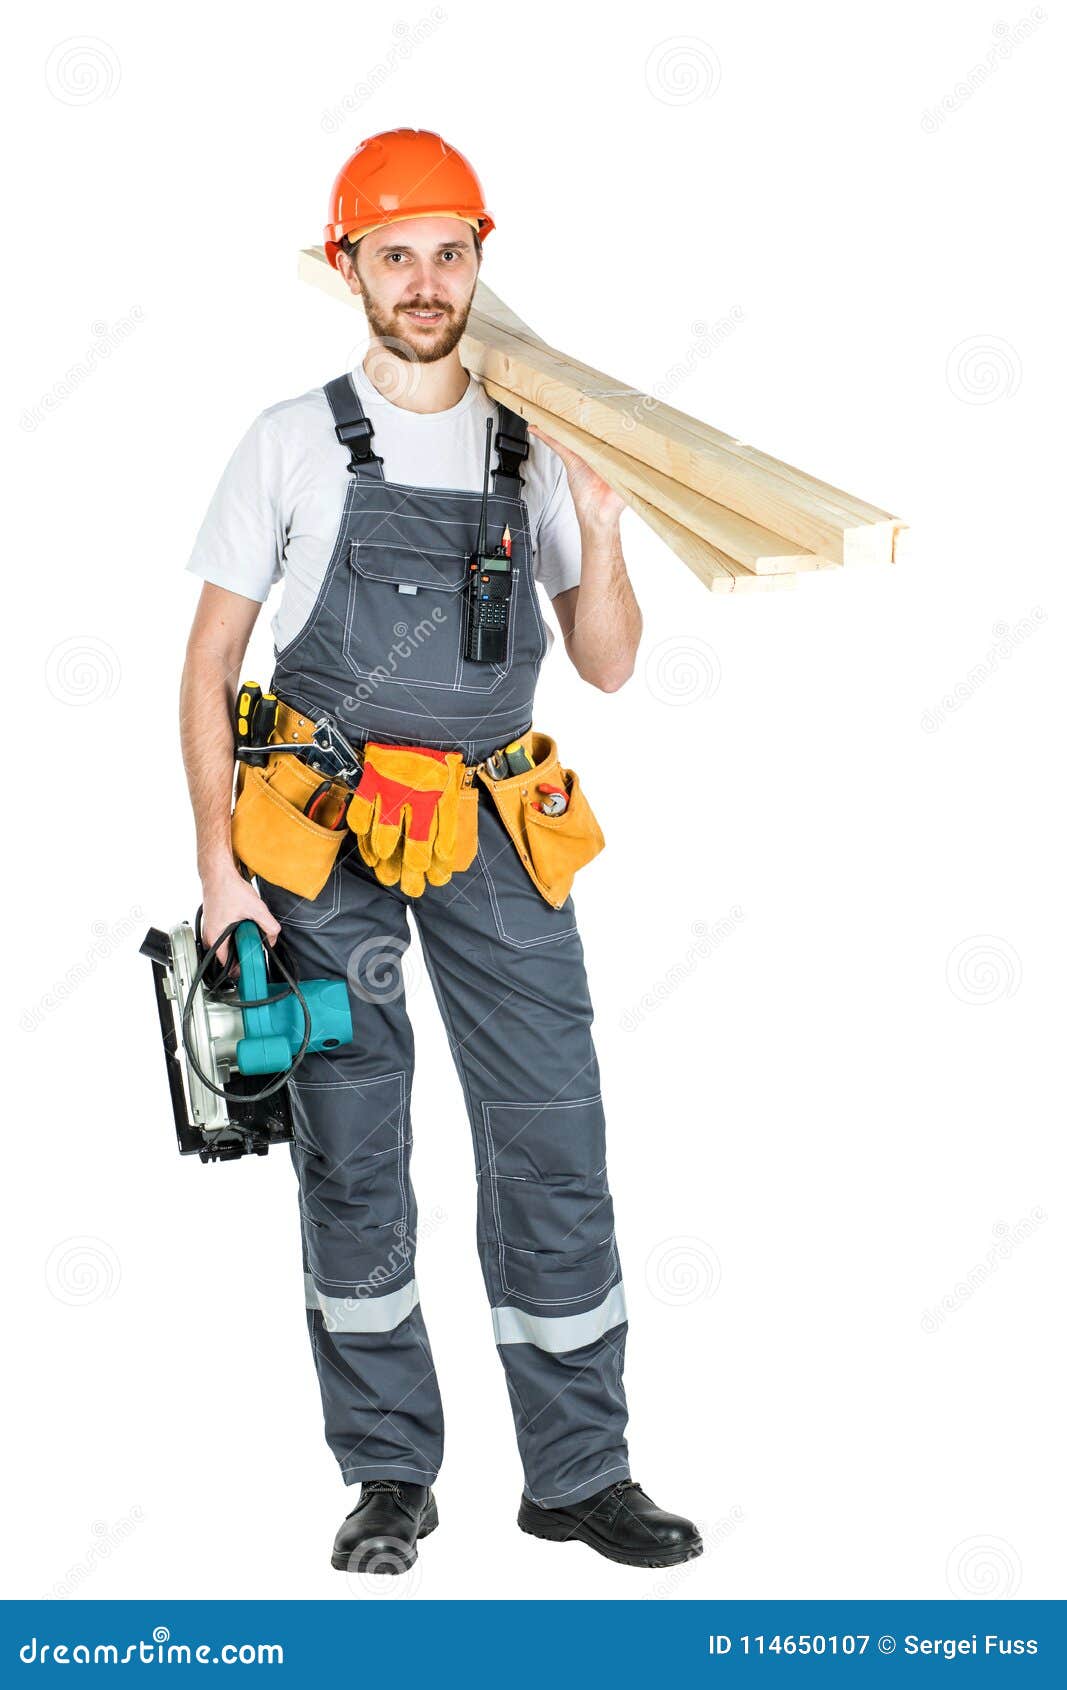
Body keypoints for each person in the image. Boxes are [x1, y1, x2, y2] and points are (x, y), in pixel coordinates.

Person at [180, 127, 702, 1574]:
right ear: (349, 265)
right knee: (352, 1139)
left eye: (449, 252)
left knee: (553, 1129)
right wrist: (223, 871)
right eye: (394, 253)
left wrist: (602, 529)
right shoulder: (290, 437)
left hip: (490, 814)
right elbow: (209, 658)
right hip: (321, 823)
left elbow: (604, 664)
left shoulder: (532, 445)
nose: (424, 280)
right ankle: (391, 1475)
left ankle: (580, 1473)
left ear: (482, 259)